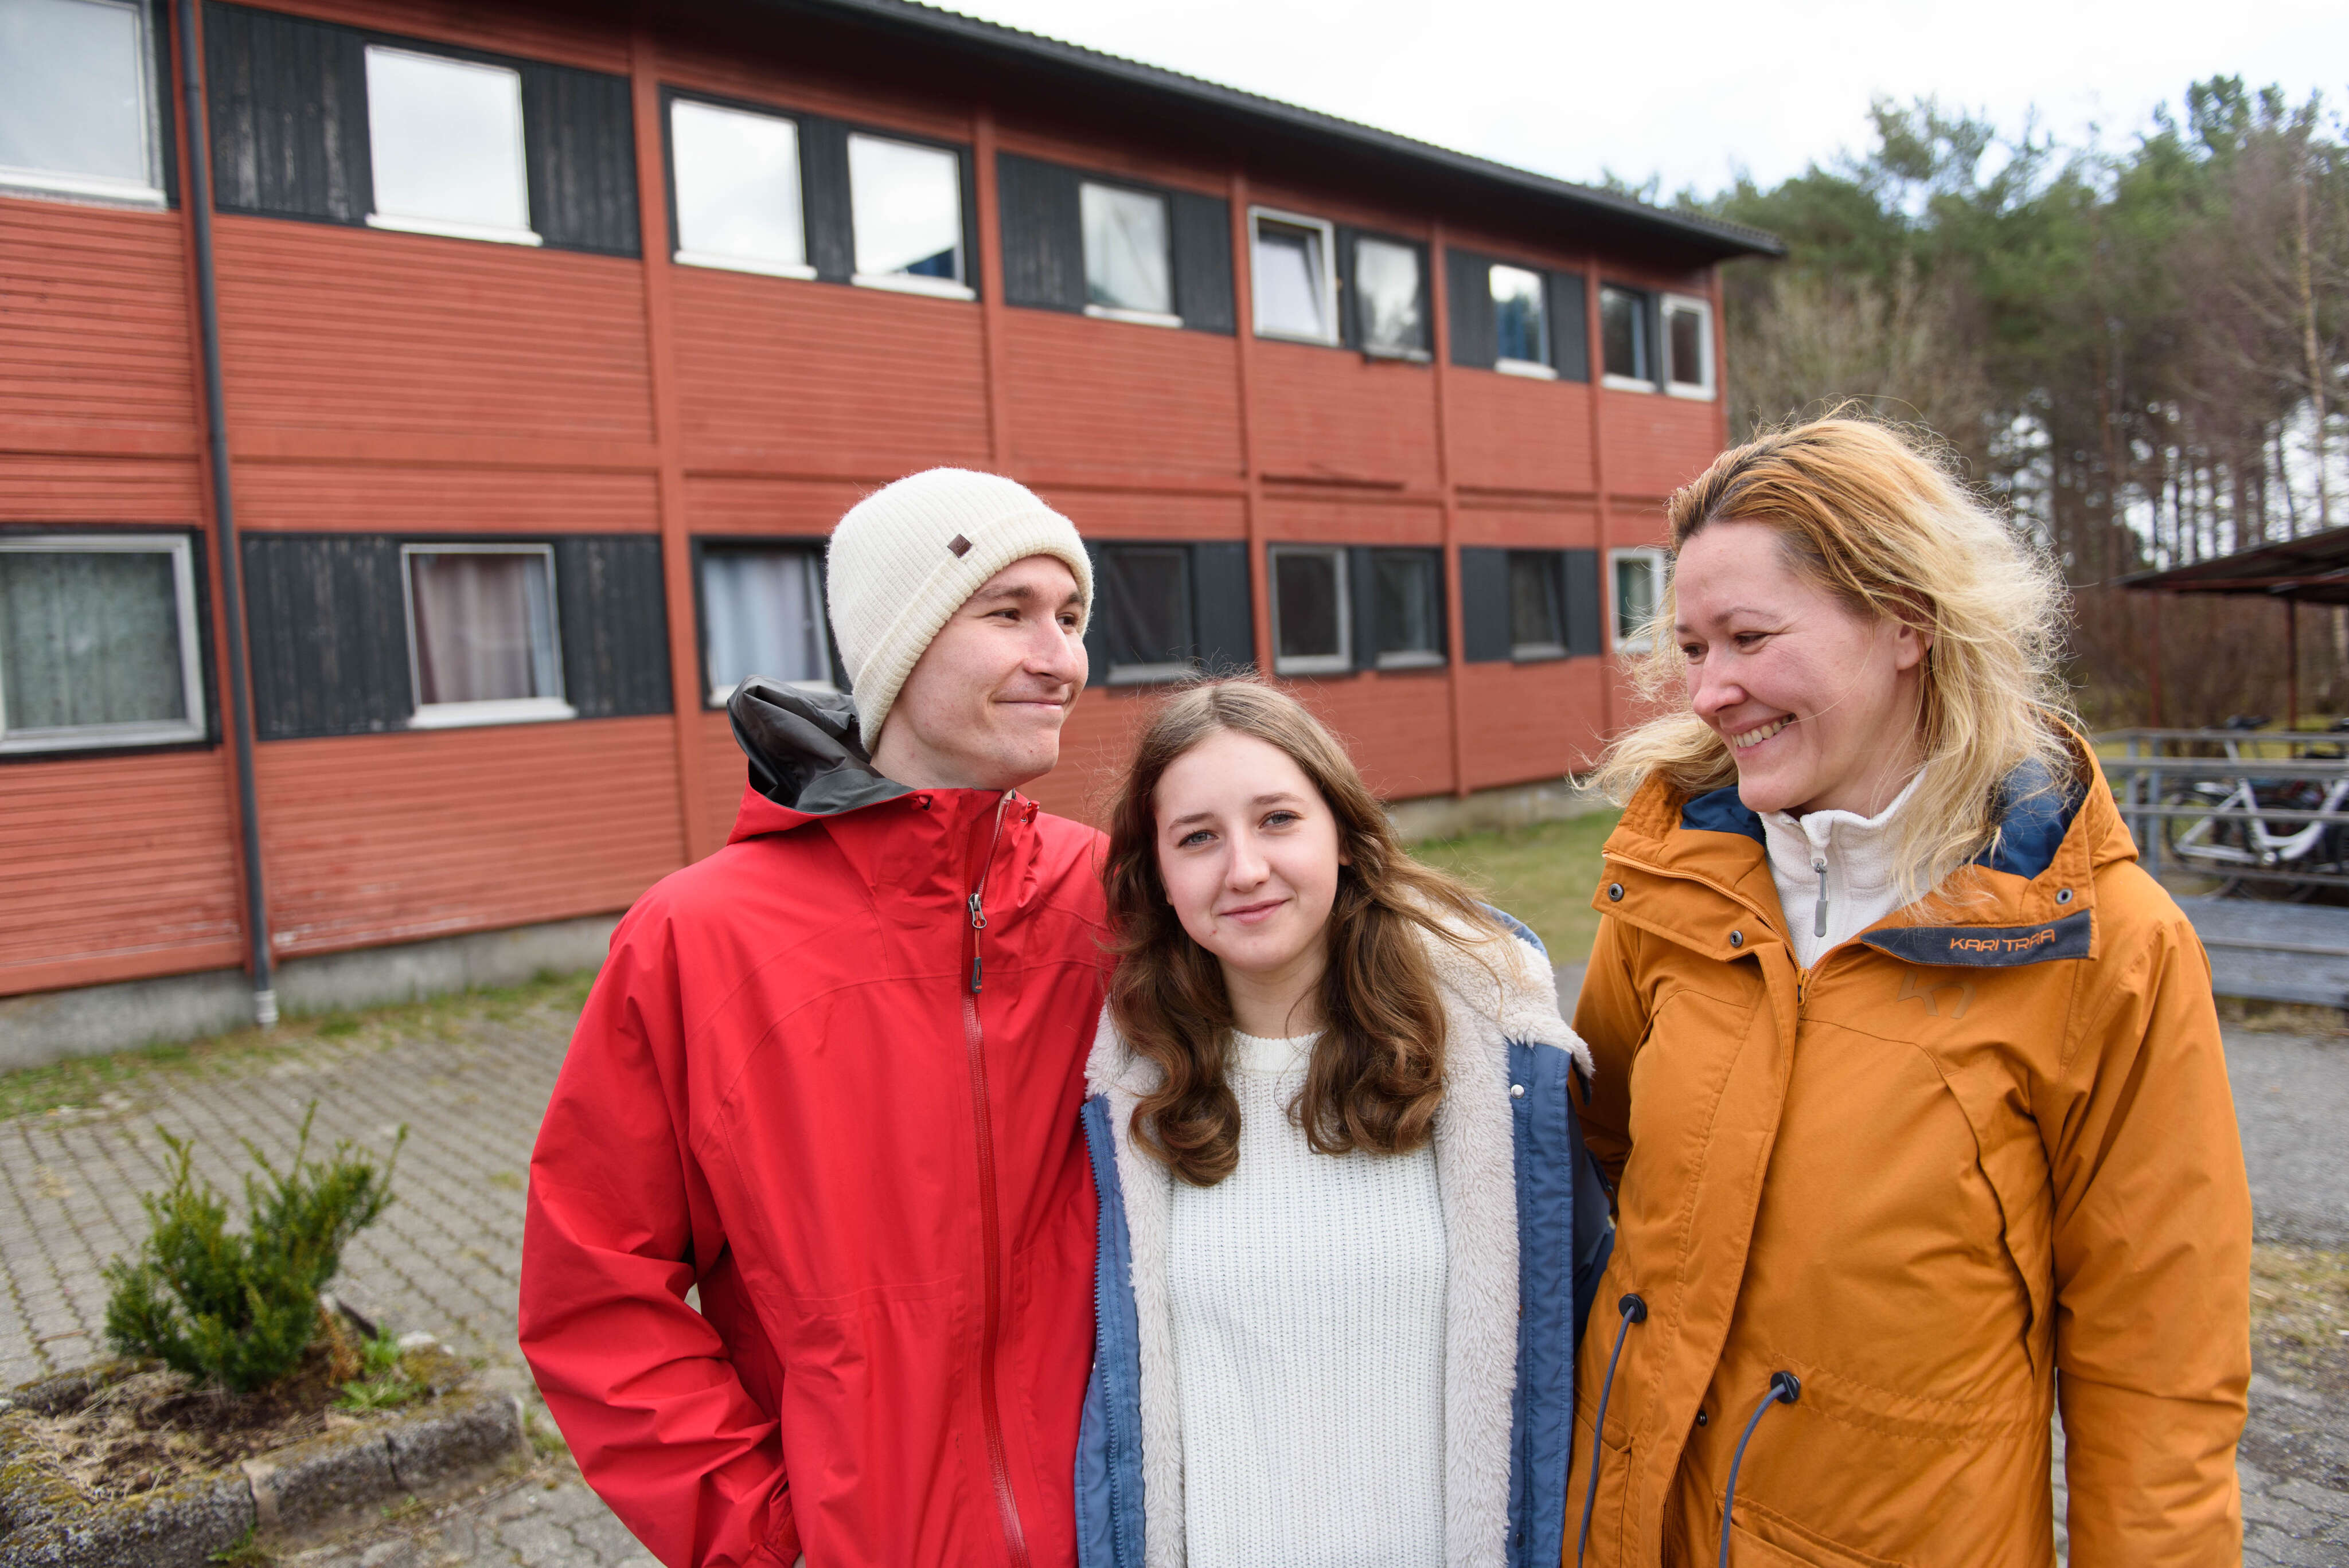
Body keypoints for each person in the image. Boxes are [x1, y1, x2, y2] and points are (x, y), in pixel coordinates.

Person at [1566, 416, 2252, 1567]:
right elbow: (1596, 1159)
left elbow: (2160, 1370)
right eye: (1690, 648)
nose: (1710, 691)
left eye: (1746, 636)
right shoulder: (1670, 888)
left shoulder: (2105, 945)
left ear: (1904, 620)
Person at [519, 470, 1114, 1568]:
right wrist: (768, 1541)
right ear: (899, 645)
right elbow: (597, 1289)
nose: (1061, 657)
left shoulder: (1120, 900)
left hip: (1129, 1536)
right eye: (1009, 614)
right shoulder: (697, 941)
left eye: (1070, 618)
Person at [1071, 679, 1615, 1568]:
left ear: (1345, 836)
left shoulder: (1492, 1068)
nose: (1243, 868)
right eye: (1198, 838)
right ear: (1160, 878)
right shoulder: (1125, 1100)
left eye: (1278, 819)